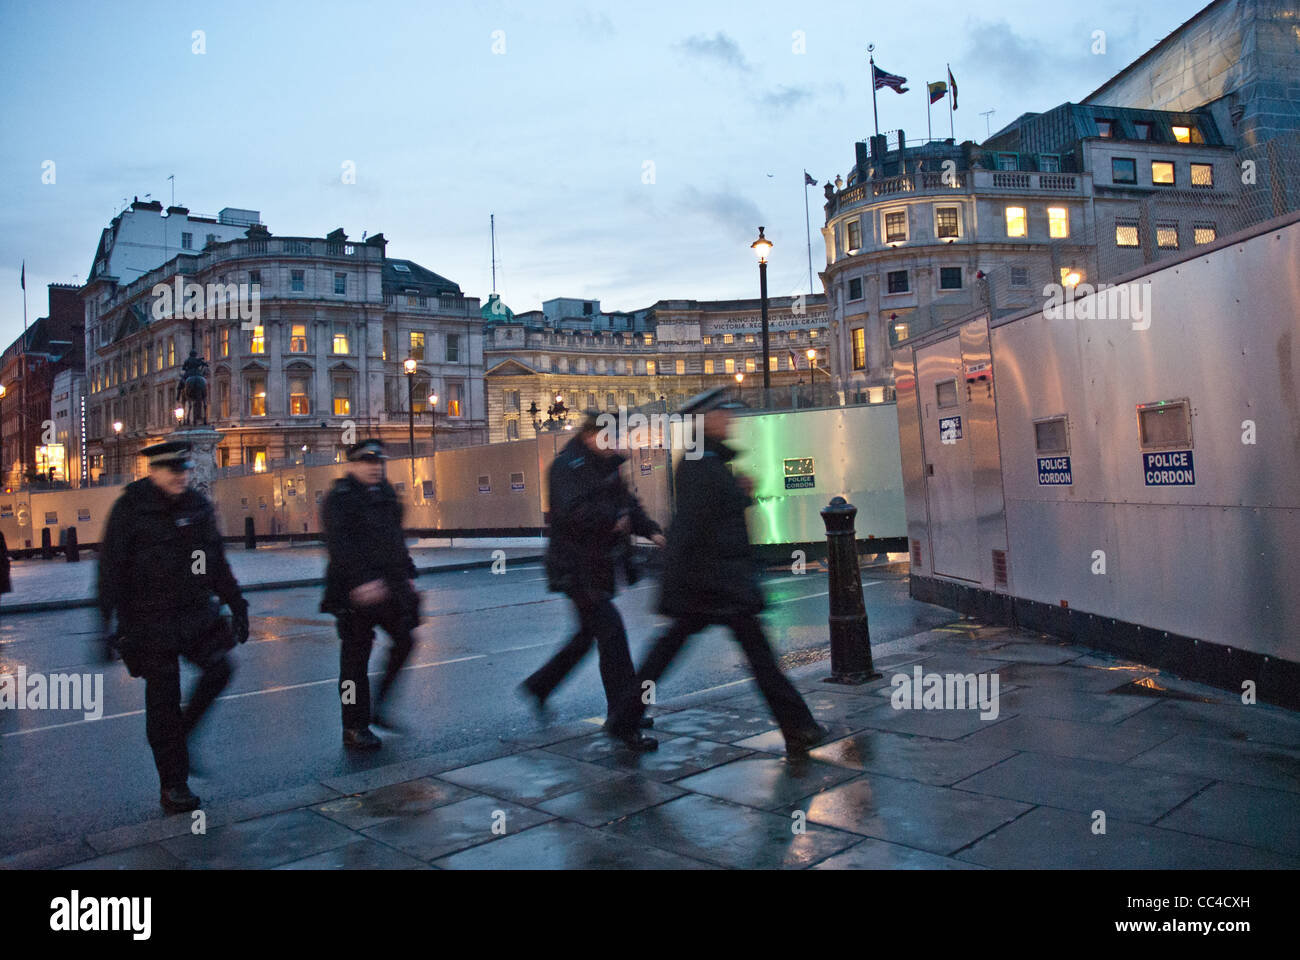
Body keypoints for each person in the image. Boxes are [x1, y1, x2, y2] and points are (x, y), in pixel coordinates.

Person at [607, 388, 828, 753]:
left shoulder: (704, 460)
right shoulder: (701, 463)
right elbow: (696, 524)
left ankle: (624, 718)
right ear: (705, 420)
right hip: (714, 582)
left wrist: (738, 492)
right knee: (758, 660)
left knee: (671, 652)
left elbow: (709, 513)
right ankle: (799, 728)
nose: (730, 419)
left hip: (710, 582)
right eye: (723, 413)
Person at [97, 440, 250, 813]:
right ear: (153, 471)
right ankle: (173, 784)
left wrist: (237, 603)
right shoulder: (130, 508)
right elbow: (110, 571)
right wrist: (106, 626)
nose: (181, 476)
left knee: (220, 670)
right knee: (163, 699)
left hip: (195, 613)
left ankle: (181, 735)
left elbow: (214, 560)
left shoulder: (196, 506)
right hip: (148, 621)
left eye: (183, 470)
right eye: (173, 471)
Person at [519, 410, 664, 751]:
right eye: (608, 437)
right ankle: (623, 720)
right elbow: (569, 514)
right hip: (574, 567)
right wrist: (613, 521)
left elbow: (628, 505)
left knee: (588, 636)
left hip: (597, 566)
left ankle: (540, 686)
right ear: (589, 436)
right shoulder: (566, 467)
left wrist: (651, 529)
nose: (613, 443)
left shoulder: (608, 464)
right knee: (611, 633)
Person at [320, 439, 420, 751]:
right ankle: (354, 725)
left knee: (405, 639)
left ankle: (379, 706)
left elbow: (395, 540)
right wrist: (360, 583)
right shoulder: (340, 498)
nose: (375, 467)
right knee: (354, 661)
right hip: (353, 592)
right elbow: (339, 547)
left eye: (379, 462)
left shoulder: (387, 494)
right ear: (352, 465)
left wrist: (408, 573)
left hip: (389, 586)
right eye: (367, 462)